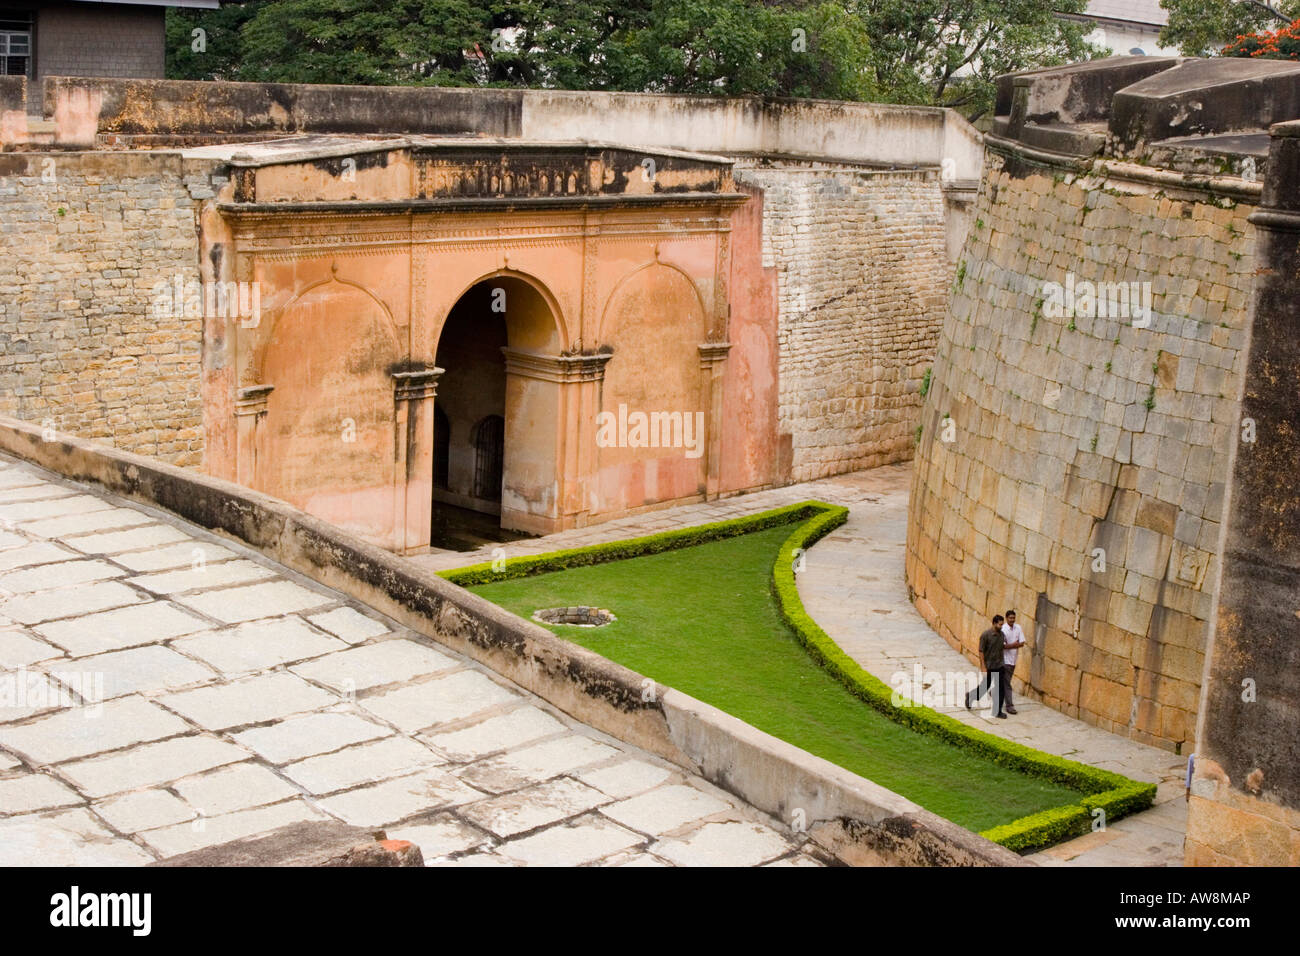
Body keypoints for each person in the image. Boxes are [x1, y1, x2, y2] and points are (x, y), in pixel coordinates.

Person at [965, 614, 1006, 718]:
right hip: (989, 667)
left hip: (1000, 666)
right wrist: (983, 666)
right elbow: (981, 651)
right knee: (984, 688)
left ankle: (997, 711)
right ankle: (971, 696)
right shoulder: (985, 635)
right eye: (1000, 624)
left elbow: (1002, 647)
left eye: (1002, 624)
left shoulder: (1002, 635)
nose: (1001, 626)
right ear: (994, 623)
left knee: (1001, 689)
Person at [1001, 609, 1026, 715]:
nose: (1012, 620)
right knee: (1007, 684)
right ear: (1006, 618)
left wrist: (1010, 645)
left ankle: (993, 692)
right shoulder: (1003, 629)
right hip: (1004, 660)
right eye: (1010, 618)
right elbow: (1002, 646)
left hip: (1013, 660)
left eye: (1013, 618)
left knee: (1005, 682)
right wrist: (1014, 645)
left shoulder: (1018, 627)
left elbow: (1022, 642)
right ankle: (1010, 706)